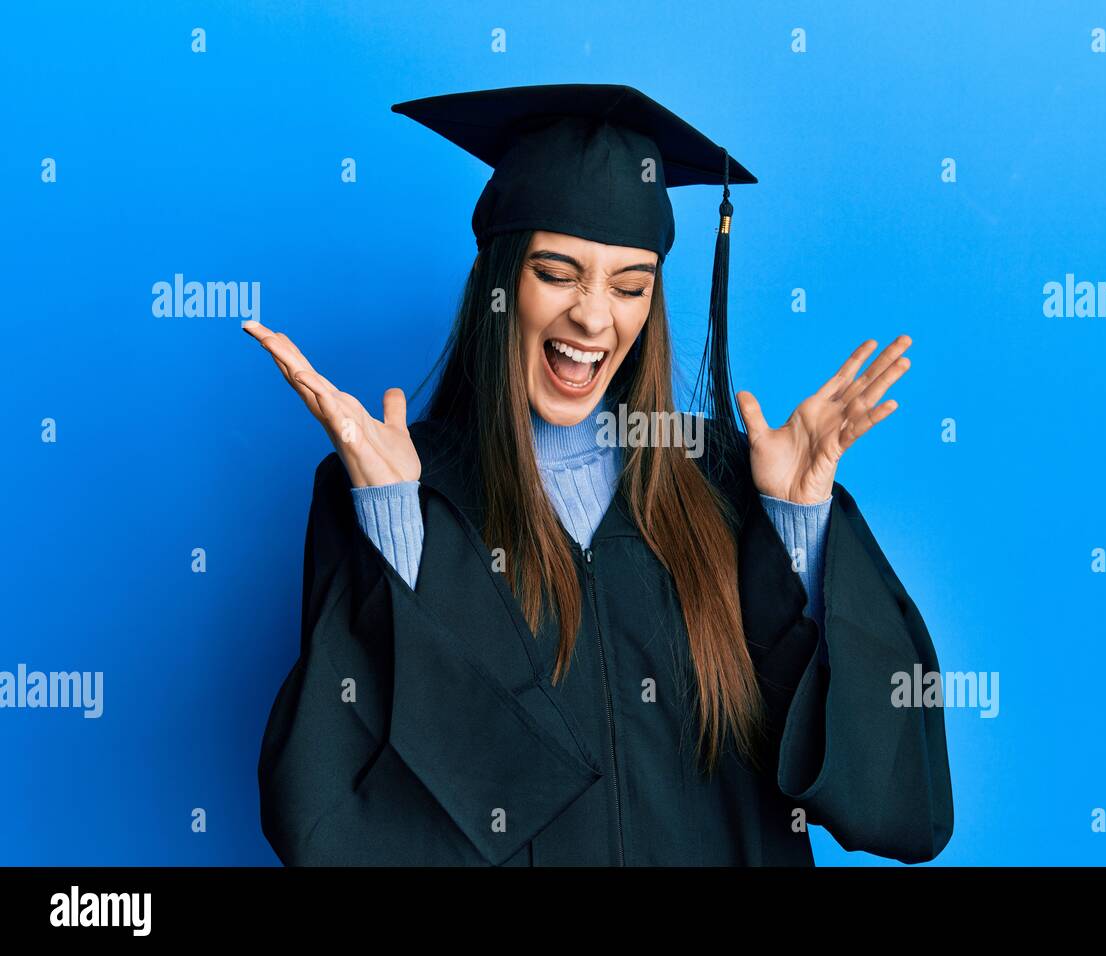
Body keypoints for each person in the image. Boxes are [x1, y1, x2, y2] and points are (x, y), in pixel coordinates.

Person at [248, 84, 953, 866]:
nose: (594, 316)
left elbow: (885, 792)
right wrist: (398, 531)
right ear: (499, 282)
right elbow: (328, 813)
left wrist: (796, 527)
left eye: (630, 286)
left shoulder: (724, 482)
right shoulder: (407, 487)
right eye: (557, 272)